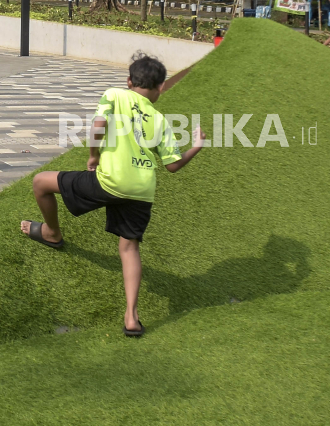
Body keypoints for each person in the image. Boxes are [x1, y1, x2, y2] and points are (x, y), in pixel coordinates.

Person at [20, 53, 203, 337]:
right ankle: (132, 318)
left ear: (129, 81)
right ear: (161, 87)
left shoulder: (114, 95)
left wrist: (93, 156)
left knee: (40, 182)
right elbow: (173, 165)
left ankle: (52, 233)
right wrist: (196, 146)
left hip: (110, 181)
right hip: (142, 190)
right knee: (129, 248)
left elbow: (98, 126)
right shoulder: (160, 120)